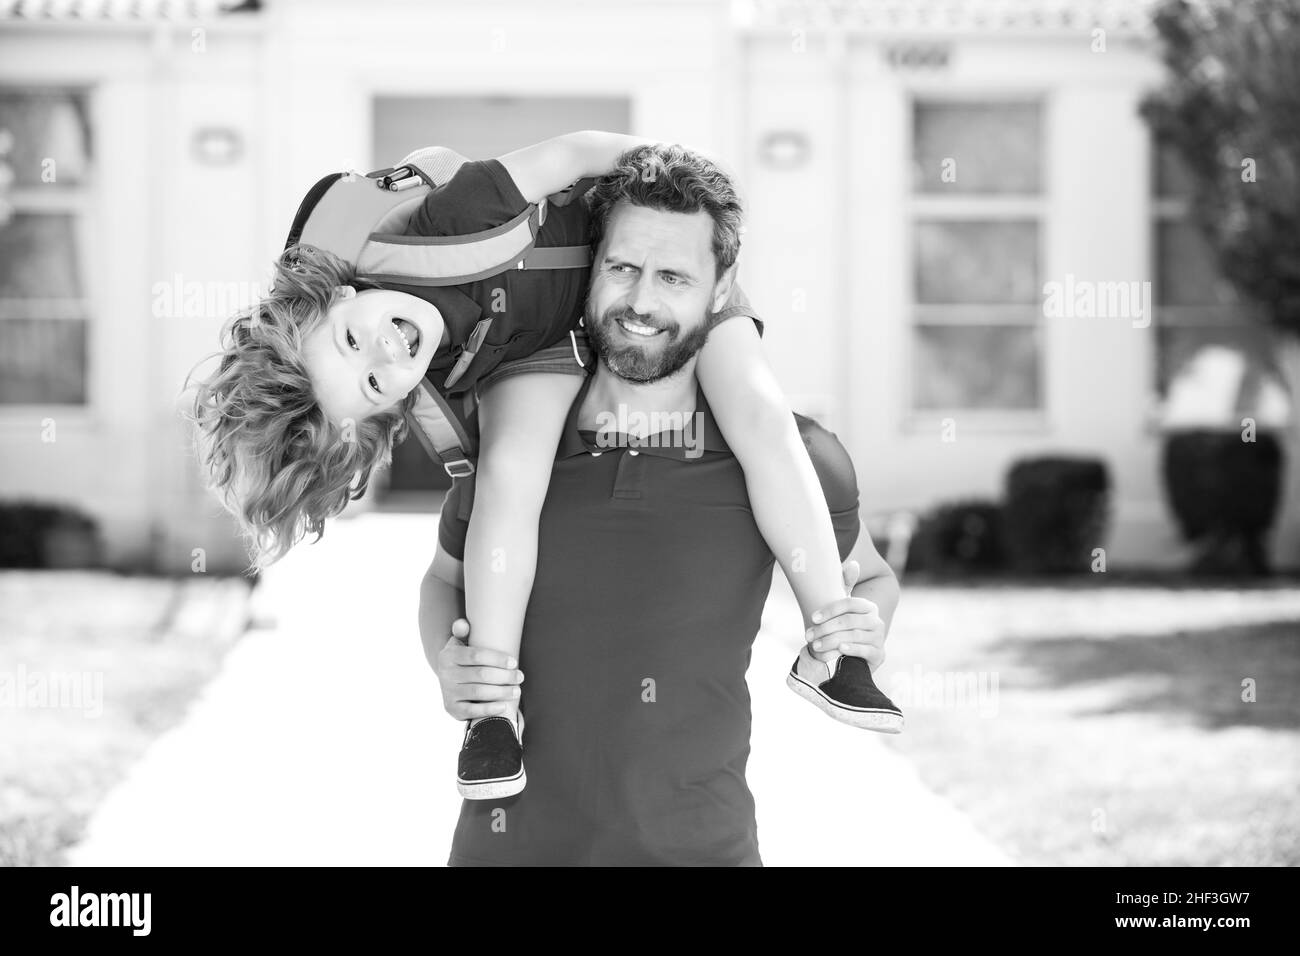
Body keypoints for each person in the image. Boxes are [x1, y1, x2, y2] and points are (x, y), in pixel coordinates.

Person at [190, 132, 900, 804]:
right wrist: (453, 664)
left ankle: (833, 652)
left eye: (353, 338)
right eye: (376, 384)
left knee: (758, 412)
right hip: (546, 343)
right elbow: (458, 551)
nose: (387, 354)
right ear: (386, 410)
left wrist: (670, 178)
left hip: (654, 268)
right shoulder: (428, 373)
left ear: (342, 298)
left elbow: (570, 154)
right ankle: (493, 716)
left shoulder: (445, 225)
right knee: (508, 471)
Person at [420, 142, 902, 865]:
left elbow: (871, 580)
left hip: (703, 847)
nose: (641, 302)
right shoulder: (514, 456)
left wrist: (863, 631)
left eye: (674, 276)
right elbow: (444, 582)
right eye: (623, 268)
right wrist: (447, 665)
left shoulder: (792, 460)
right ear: (592, 267)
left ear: (720, 288)